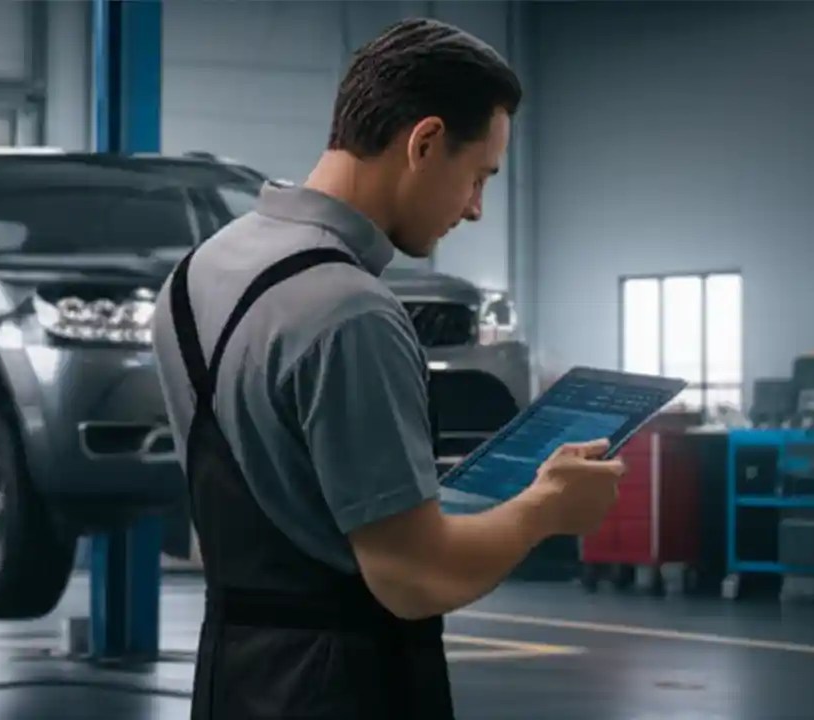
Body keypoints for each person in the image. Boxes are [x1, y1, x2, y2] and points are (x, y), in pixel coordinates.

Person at [150, 17, 626, 720]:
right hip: (344, 690)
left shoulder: (196, 274)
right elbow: (413, 577)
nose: (475, 209)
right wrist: (545, 509)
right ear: (424, 143)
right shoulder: (352, 311)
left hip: (234, 679)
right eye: (478, 176)